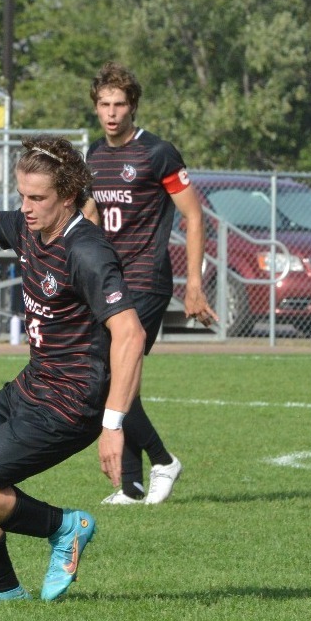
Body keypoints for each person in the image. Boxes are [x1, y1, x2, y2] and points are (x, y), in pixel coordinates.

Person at [0, 136, 144, 603]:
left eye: (37, 198)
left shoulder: (86, 251)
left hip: (69, 403)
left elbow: (130, 334)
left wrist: (113, 424)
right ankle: (5, 592)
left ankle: (66, 527)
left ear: (68, 196)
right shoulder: (30, 226)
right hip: (32, 385)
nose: (26, 207)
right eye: (22, 195)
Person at [81, 63, 216, 505]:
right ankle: (133, 487)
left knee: (109, 377)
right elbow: (92, 217)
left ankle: (162, 460)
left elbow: (194, 215)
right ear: (96, 107)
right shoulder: (94, 156)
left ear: (133, 106)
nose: (112, 112)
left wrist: (193, 284)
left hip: (146, 279)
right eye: (105, 104)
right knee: (118, 379)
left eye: (120, 104)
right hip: (108, 280)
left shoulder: (158, 153)